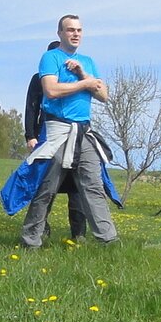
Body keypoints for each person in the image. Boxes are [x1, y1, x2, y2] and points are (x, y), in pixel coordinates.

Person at [22, 14, 117, 249]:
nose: (75, 34)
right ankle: (30, 240)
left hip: (84, 132)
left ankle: (108, 241)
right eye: (70, 30)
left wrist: (83, 74)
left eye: (79, 30)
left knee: (93, 185)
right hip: (57, 130)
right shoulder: (50, 57)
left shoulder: (88, 61)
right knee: (46, 187)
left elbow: (103, 95)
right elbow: (51, 90)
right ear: (60, 34)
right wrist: (84, 84)